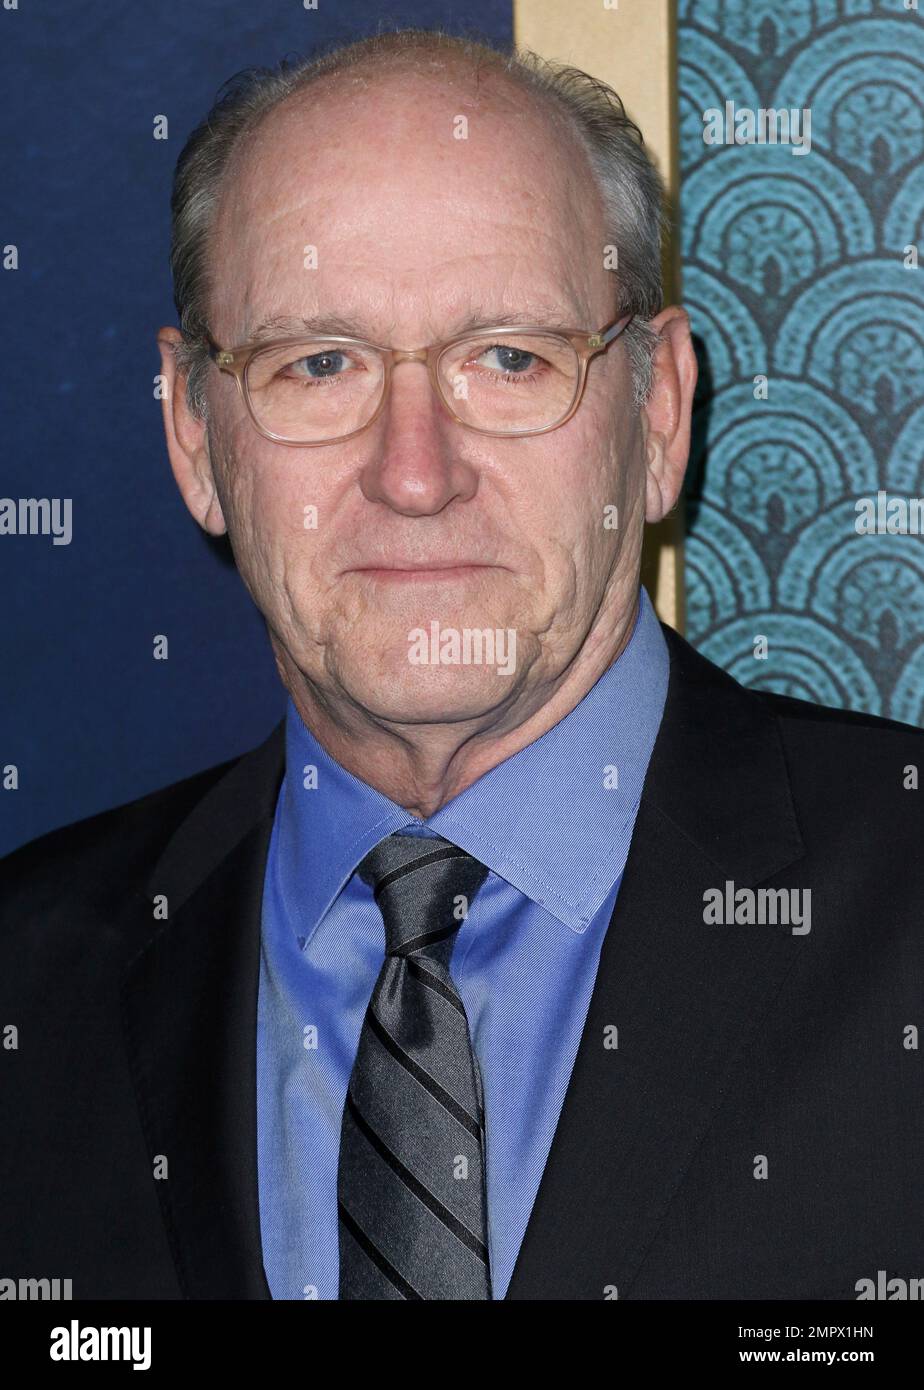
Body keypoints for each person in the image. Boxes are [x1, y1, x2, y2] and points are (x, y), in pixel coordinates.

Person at [2, 27, 922, 1302]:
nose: (415, 472)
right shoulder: (30, 989)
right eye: (318, 364)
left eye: (510, 357)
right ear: (196, 435)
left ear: (656, 415)